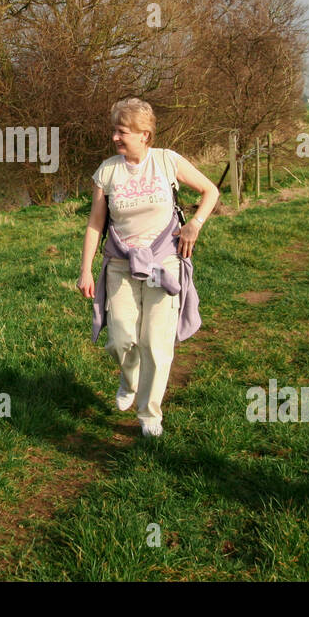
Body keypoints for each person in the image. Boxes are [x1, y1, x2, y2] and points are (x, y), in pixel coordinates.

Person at [79, 98, 218, 437]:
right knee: (121, 339)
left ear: (145, 134)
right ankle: (130, 381)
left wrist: (195, 224)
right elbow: (95, 224)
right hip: (120, 266)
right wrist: (85, 271)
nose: (115, 137)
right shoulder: (107, 171)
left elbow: (210, 191)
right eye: (114, 130)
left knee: (156, 343)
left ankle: (149, 414)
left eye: (122, 132)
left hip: (163, 265)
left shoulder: (167, 162)